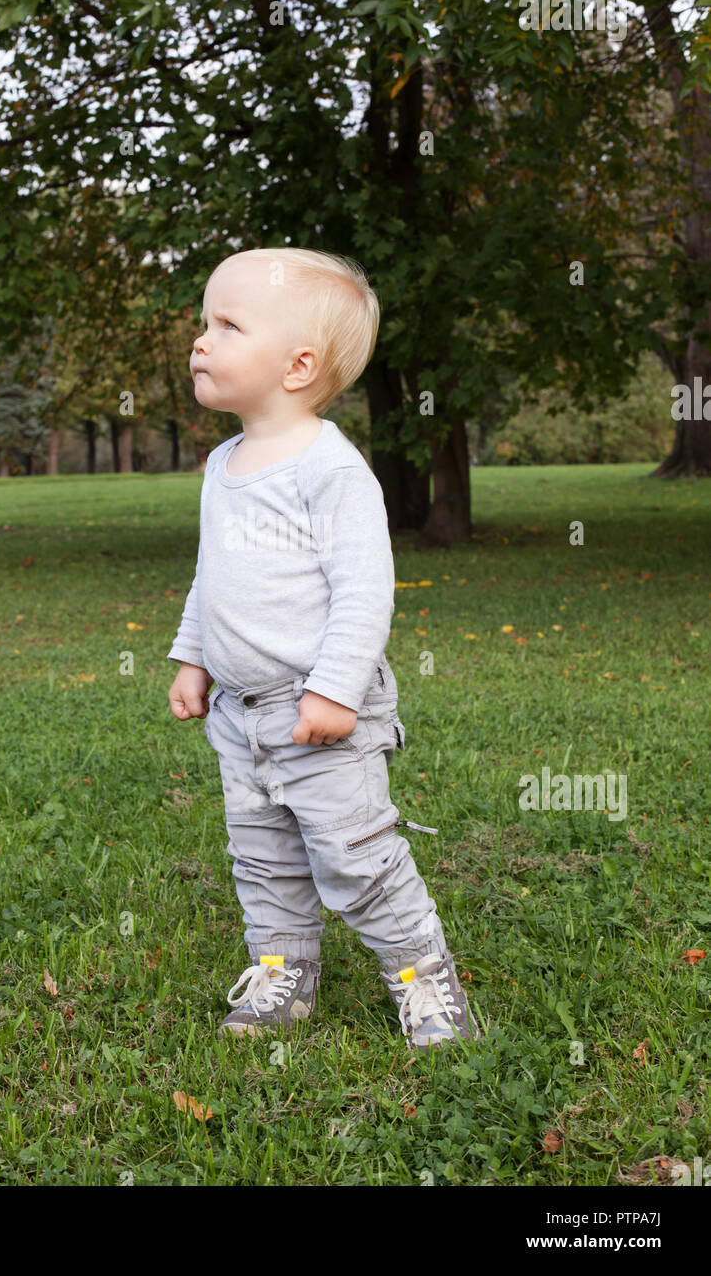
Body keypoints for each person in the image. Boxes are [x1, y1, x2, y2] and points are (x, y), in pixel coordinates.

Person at [166, 247, 480, 1053]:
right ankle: (284, 973)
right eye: (205, 323)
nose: (202, 340)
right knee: (263, 856)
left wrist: (335, 689)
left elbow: (365, 591)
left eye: (228, 325)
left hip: (319, 708)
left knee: (356, 857)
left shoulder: (332, 470)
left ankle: (423, 978)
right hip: (241, 717)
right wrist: (193, 656)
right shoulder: (221, 464)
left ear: (299, 365)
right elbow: (215, 576)